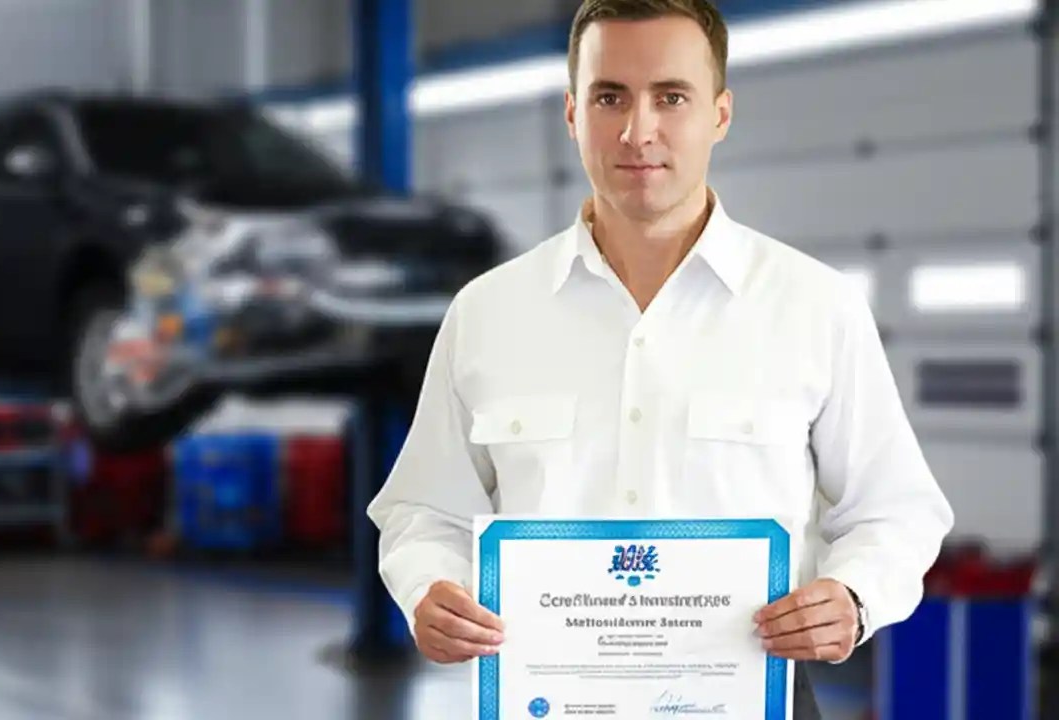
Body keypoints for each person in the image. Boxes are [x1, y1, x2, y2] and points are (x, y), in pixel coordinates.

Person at [365, 0, 955, 716]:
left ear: (720, 114)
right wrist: (431, 588)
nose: (637, 130)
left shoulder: (813, 307)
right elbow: (423, 510)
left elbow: (896, 510)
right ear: (573, 113)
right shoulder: (487, 314)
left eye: (671, 97)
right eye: (609, 95)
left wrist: (854, 597)